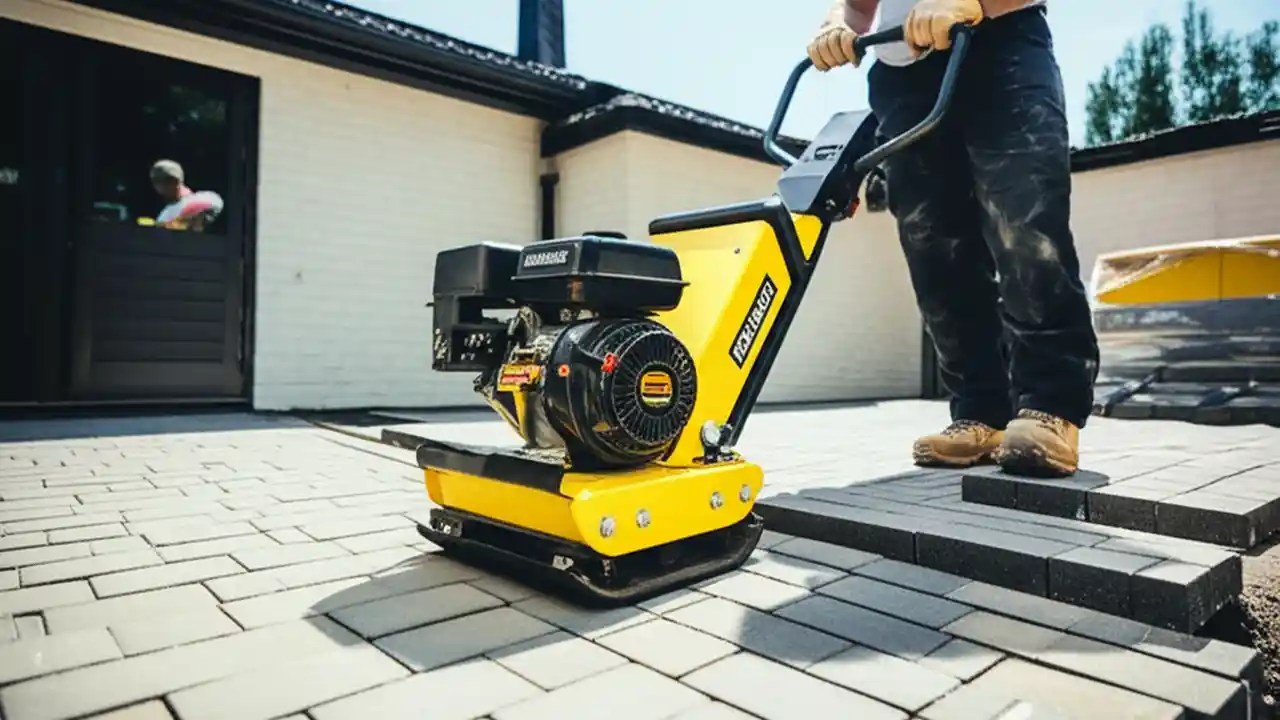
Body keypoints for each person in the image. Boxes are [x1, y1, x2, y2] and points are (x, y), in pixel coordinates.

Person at [806, 0, 1099, 477]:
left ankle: (1051, 405)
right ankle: (980, 411)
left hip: (1000, 35)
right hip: (900, 72)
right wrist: (839, 23)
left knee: (1023, 221)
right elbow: (858, 5)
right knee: (933, 248)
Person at [149, 159, 224, 232]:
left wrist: (180, 222)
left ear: (176, 180)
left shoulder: (208, 197)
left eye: (167, 180)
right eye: (156, 181)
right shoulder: (163, 216)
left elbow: (210, 208)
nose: (159, 185)